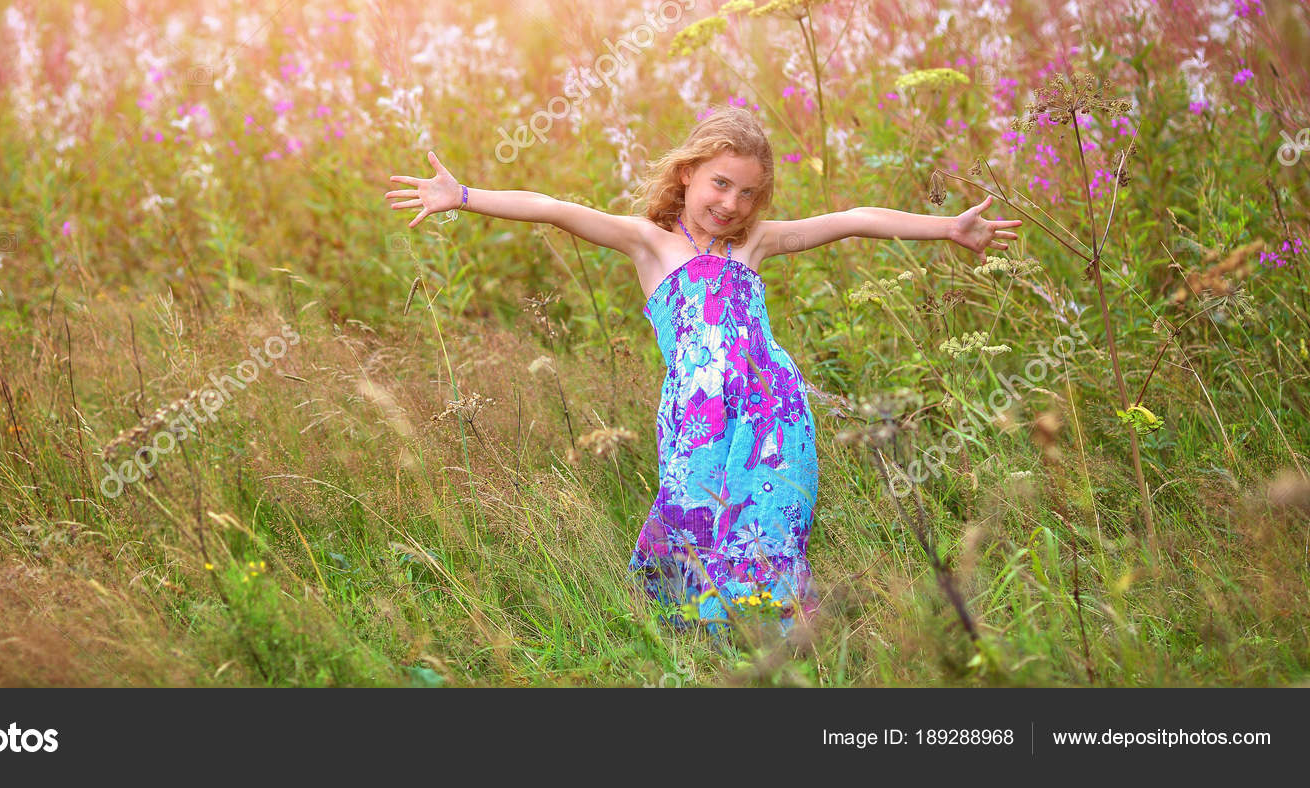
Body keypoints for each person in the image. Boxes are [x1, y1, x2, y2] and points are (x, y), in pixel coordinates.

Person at [384, 106, 1021, 636]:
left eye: (747, 193)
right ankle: (704, 639)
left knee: (768, 526)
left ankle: (784, 637)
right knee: (695, 518)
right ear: (688, 173)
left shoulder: (756, 242)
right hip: (699, 417)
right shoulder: (649, 242)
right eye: (720, 183)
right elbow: (553, 207)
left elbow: (854, 220)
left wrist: (951, 229)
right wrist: (462, 196)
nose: (731, 203)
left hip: (774, 411)